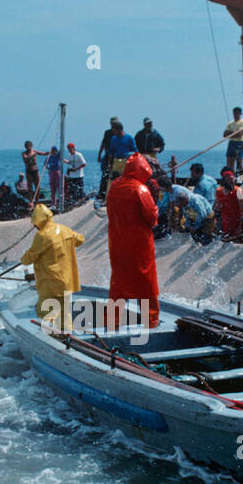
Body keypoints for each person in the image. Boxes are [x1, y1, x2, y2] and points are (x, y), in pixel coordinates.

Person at [104, 153, 160, 329]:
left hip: (117, 241)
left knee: (119, 281)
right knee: (145, 281)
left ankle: (112, 321)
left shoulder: (114, 186)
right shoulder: (140, 189)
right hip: (139, 244)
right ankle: (150, 320)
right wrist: (155, 204)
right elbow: (152, 218)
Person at [20, 203, 85, 329]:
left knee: (44, 313)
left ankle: (50, 340)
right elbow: (80, 240)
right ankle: (66, 338)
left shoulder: (42, 235)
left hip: (50, 283)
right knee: (64, 315)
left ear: (38, 221)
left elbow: (29, 258)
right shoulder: (65, 229)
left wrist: (23, 259)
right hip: (67, 281)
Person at [213, 169, 243, 239]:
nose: (230, 182)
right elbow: (216, 207)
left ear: (234, 180)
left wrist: (241, 225)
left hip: (237, 220)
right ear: (224, 181)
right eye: (227, 180)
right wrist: (215, 220)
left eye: (231, 179)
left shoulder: (238, 191)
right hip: (225, 221)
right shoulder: (219, 191)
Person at [96, 116, 120, 198]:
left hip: (116, 157)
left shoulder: (119, 133)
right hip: (107, 155)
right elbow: (103, 143)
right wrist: (99, 154)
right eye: (112, 123)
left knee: (116, 174)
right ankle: (102, 194)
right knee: (105, 174)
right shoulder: (107, 132)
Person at [223, 107, 243, 173]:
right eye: (234, 113)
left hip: (240, 143)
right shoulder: (230, 123)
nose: (235, 115)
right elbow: (225, 134)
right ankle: (231, 175)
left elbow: (240, 134)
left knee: (239, 163)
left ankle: (240, 177)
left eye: (237, 113)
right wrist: (235, 132)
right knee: (229, 162)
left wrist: (231, 133)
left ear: (240, 114)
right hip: (231, 143)